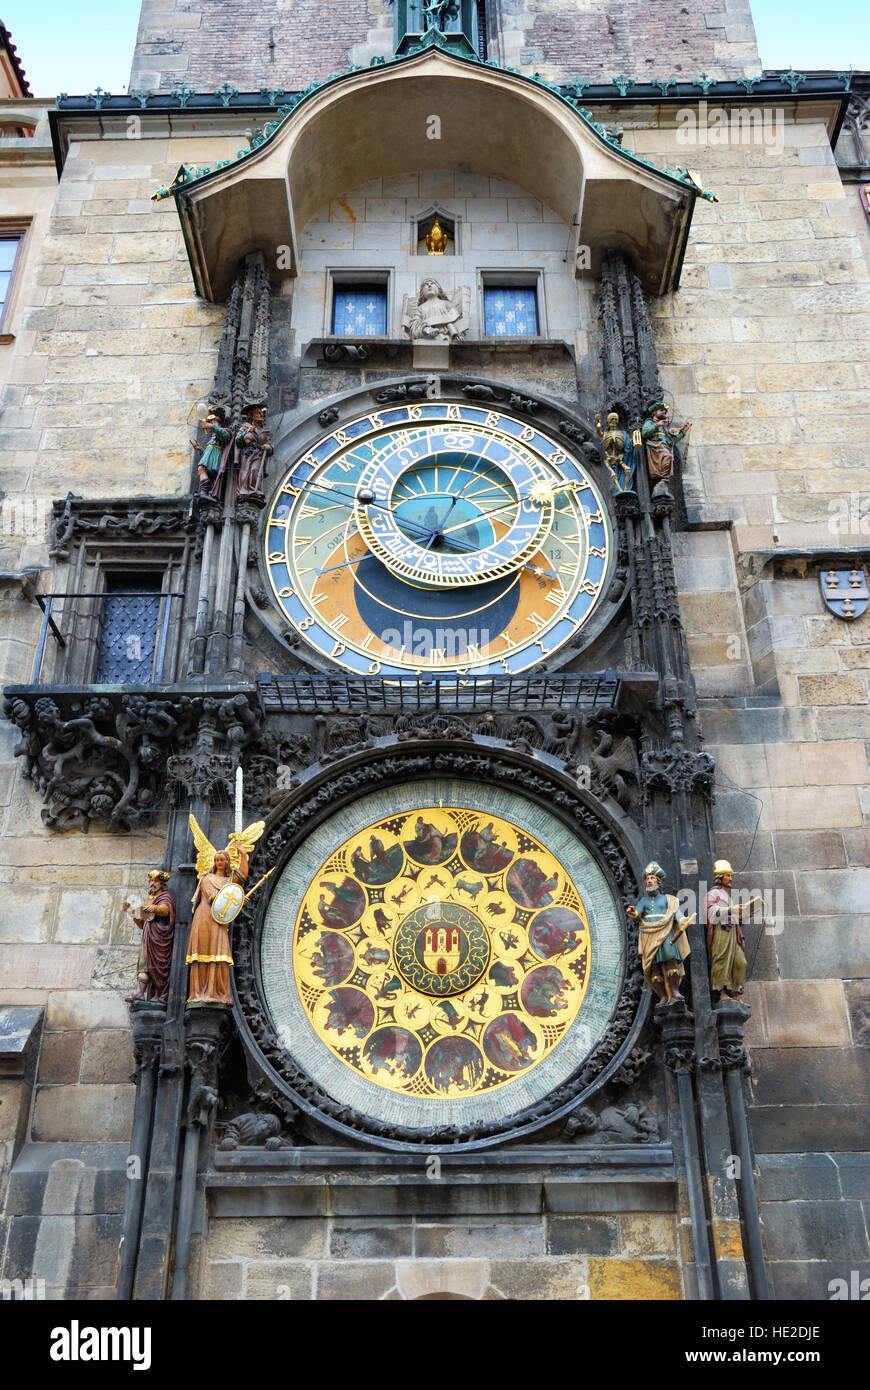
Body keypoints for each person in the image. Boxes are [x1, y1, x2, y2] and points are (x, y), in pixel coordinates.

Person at [627, 861, 694, 1006]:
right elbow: (637, 913)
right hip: (649, 935)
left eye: (652, 878)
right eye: (647, 878)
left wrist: (683, 919)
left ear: (658, 881)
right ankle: (662, 995)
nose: (649, 881)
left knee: (671, 961)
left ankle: (675, 991)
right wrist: (633, 912)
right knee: (653, 968)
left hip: (665, 933)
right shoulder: (644, 901)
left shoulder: (668, 899)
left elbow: (676, 913)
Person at [706, 859, 758, 1001]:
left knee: (740, 962)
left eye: (731, 875)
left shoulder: (728, 896)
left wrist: (745, 915)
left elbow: (734, 917)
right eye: (728, 875)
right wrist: (731, 909)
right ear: (720, 877)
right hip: (722, 932)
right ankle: (722, 993)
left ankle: (735, 994)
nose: (730, 878)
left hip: (733, 933)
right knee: (721, 959)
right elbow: (712, 913)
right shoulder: (713, 894)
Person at [125, 870, 176, 1004]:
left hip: (160, 937)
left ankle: (160, 994)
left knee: (159, 966)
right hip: (147, 935)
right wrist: (132, 913)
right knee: (144, 964)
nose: (152, 884)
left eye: (155, 881)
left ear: (162, 883)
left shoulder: (166, 896)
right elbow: (142, 923)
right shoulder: (149, 899)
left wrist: (155, 908)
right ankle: (140, 993)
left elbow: (165, 910)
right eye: (151, 881)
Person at [641, 401, 690, 483]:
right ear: (654, 412)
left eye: (664, 412)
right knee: (667, 456)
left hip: (664, 447)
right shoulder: (650, 422)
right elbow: (645, 433)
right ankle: (661, 477)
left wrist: (683, 432)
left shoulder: (664, 428)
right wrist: (657, 424)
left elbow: (671, 441)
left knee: (668, 456)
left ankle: (663, 478)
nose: (663, 412)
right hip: (655, 447)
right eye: (661, 410)